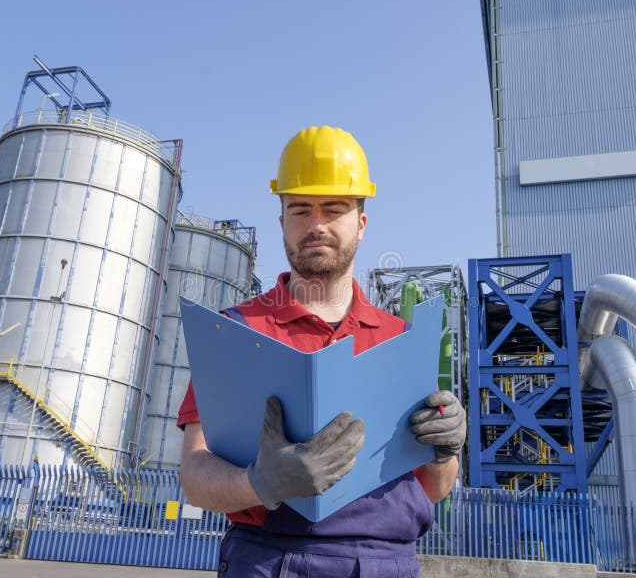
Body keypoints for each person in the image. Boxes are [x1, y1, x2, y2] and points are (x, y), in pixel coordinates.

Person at [178, 126, 466, 577]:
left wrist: (446, 452)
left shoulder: (401, 340)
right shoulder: (233, 332)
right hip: (271, 560)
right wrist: (259, 481)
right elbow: (195, 475)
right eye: (300, 210)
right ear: (282, 223)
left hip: (387, 563)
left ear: (361, 224)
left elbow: (434, 488)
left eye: (334, 209)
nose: (316, 225)